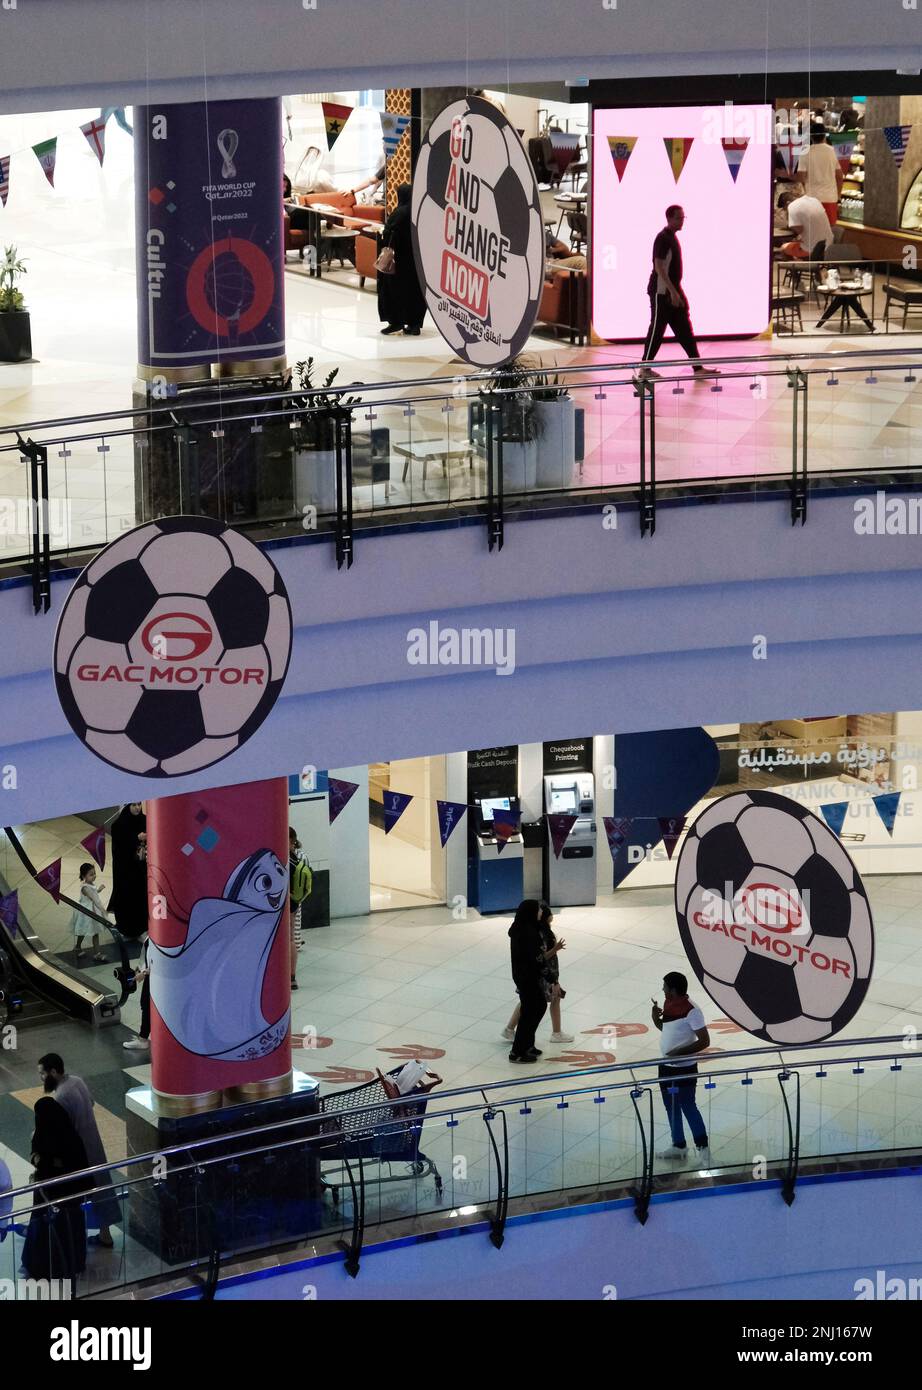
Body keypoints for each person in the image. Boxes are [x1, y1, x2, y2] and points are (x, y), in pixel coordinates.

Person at [39, 1054, 119, 1248]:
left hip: (78, 1153)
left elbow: (62, 1130)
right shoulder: (77, 1080)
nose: (41, 1078)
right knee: (101, 1187)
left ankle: (75, 1238)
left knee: (77, 1195)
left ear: (54, 1072)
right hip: (93, 1141)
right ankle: (105, 1234)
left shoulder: (61, 1096)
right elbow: (91, 1103)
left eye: (42, 1073)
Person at [637, 205, 719, 381]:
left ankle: (697, 367)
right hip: (661, 292)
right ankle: (644, 367)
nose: (682, 221)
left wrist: (677, 292)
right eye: (679, 218)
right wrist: (673, 293)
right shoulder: (663, 238)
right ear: (669, 218)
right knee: (657, 329)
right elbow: (659, 267)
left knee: (684, 328)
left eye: (683, 217)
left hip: (672, 290)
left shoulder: (672, 237)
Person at [21, 1096, 88, 1283]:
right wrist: (48, 1162)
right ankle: (68, 1264)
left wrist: (44, 1162)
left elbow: (45, 1160)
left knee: (47, 1230)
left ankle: (45, 1267)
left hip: (53, 1195)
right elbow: (39, 1157)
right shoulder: (69, 1136)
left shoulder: (57, 1138)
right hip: (63, 1196)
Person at [650, 972, 710, 1162]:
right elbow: (667, 1029)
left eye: (665, 986)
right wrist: (655, 1018)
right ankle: (678, 1145)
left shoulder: (692, 1011)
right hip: (666, 1066)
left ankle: (703, 1148)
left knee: (688, 1106)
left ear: (673, 989)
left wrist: (679, 1053)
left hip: (684, 1068)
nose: (663, 990)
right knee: (671, 1107)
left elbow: (704, 1041)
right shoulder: (668, 1003)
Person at [502, 901, 574, 1044]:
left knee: (528, 1001)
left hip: (543, 972)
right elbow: (540, 957)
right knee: (542, 1000)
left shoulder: (536, 930)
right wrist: (555, 950)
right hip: (542, 972)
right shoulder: (538, 934)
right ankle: (556, 1033)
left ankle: (510, 1029)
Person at [377, 183, 426, 336]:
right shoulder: (420, 212)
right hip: (417, 262)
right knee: (415, 292)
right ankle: (414, 324)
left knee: (394, 290)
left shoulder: (399, 213)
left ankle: (396, 321)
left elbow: (390, 232)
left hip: (399, 262)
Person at [507, 899, 550, 1063]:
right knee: (531, 1011)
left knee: (535, 1008)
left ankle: (527, 1045)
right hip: (527, 977)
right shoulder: (528, 934)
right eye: (539, 910)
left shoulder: (523, 928)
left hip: (523, 975)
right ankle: (518, 1051)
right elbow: (537, 959)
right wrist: (551, 978)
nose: (541, 912)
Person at [107, 803, 147, 939]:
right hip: (126, 871)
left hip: (141, 870)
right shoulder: (119, 825)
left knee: (141, 898)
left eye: (139, 804)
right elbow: (120, 848)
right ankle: (127, 929)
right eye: (134, 805)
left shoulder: (145, 820)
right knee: (127, 899)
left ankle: (142, 928)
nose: (137, 808)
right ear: (128, 806)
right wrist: (136, 838)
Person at [797, 127, 843, 226]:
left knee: (812, 231)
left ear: (811, 137)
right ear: (824, 136)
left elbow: (801, 177)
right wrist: (838, 196)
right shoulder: (833, 151)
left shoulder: (805, 152)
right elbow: (839, 176)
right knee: (829, 231)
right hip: (830, 198)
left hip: (811, 199)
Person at [778, 189, 833, 260]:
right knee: (798, 242)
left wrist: (788, 218)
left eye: (784, 208)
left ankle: (796, 267)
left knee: (783, 248)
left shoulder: (792, 206)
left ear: (787, 203)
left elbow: (798, 230)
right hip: (829, 246)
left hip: (812, 250)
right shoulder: (814, 200)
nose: (785, 210)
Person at [288, 826, 312, 988]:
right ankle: (292, 977)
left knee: (287, 939)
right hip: (296, 901)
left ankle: (286, 975)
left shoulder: (285, 859)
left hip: (285, 901)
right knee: (292, 937)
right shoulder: (300, 858)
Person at [70, 862, 108, 963]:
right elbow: (93, 898)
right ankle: (78, 947)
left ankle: (97, 953)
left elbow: (94, 893)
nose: (94, 876)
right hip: (86, 913)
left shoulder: (91, 885)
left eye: (94, 873)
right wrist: (102, 910)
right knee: (82, 931)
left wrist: (99, 889)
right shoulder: (85, 888)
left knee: (95, 932)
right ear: (84, 876)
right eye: (91, 874)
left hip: (92, 912)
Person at [122, 931, 151, 1052]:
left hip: (156, 978)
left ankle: (143, 1039)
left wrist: (144, 973)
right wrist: (141, 968)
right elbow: (147, 953)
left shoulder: (162, 935)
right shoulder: (154, 934)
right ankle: (143, 1037)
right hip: (151, 976)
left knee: (147, 1005)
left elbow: (164, 961)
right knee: (146, 1005)